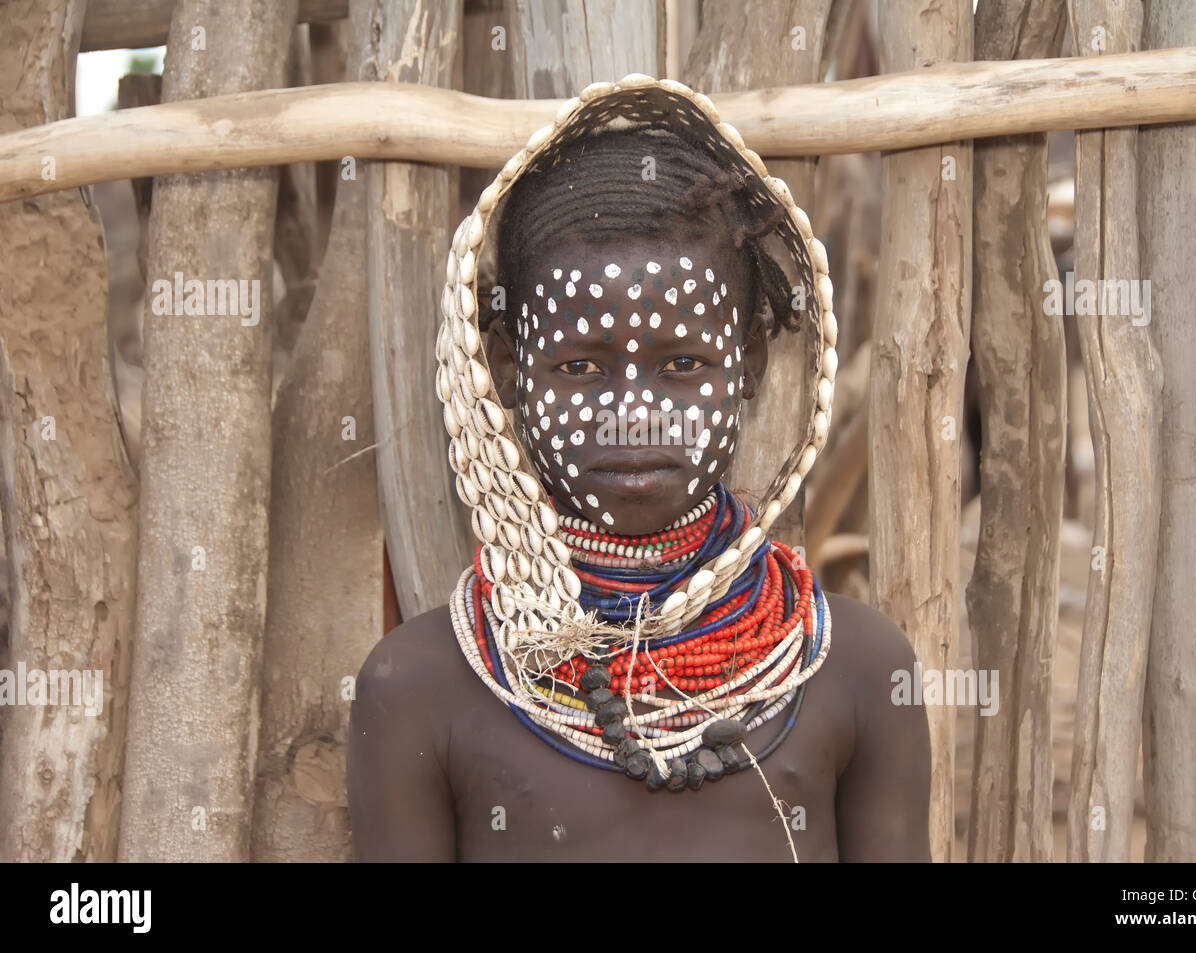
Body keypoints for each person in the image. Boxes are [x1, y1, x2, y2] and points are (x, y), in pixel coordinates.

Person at [347, 78, 930, 862]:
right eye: (582, 367)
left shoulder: (854, 669)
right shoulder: (421, 689)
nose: (634, 409)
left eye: (682, 362)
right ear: (509, 369)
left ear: (749, 362)